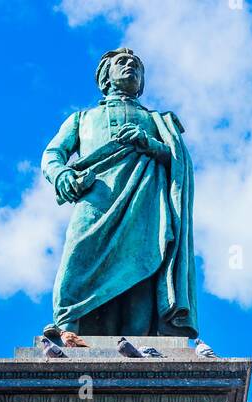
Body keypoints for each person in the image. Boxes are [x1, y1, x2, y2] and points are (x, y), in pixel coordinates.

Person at [41, 47, 197, 338]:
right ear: (105, 77)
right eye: (122, 63)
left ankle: (138, 339)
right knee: (77, 257)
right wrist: (62, 175)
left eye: (136, 65)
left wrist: (149, 143)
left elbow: (178, 163)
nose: (131, 67)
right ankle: (66, 328)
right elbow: (53, 154)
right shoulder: (83, 118)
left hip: (143, 203)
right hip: (96, 198)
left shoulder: (156, 121)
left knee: (141, 265)